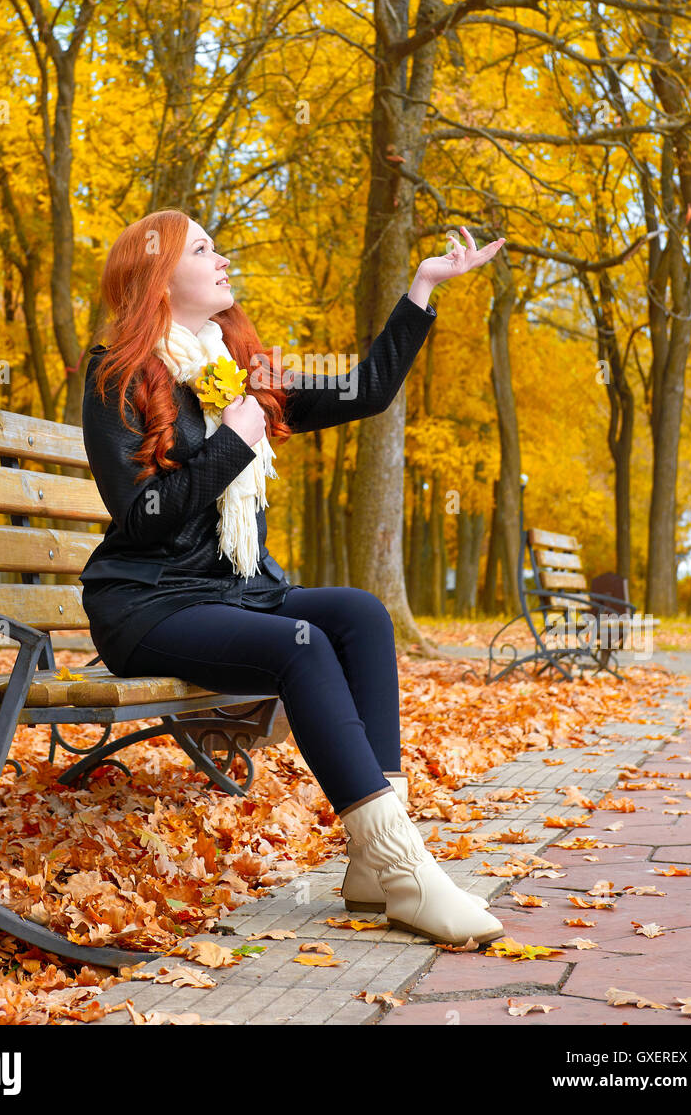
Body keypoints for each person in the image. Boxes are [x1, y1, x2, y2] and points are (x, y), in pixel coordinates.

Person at [80, 209, 506, 945]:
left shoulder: (234, 369)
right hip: (146, 606)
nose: (220, 258)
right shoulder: (115, 377)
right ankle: (400, 867)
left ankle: (372, 866)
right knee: (302, 642)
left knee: (360, 613)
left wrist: (421, 290)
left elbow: (366, 391)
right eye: (202, 248)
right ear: (157, 274)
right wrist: (231, 445)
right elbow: (141, 519)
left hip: (228, 591)